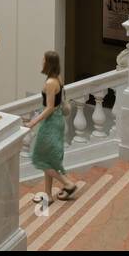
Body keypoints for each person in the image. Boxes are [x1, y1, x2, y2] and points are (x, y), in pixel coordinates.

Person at [26, 50, 79, 204]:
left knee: (39, 159)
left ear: (48, 63)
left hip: (50, 123)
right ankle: (48, 195)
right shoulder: (58, 78)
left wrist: (33, 122)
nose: (41, 62)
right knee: (47, 159)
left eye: (43, 60)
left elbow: (49, 107)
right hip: (58, 120)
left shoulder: (50, 83)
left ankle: (68, 183)